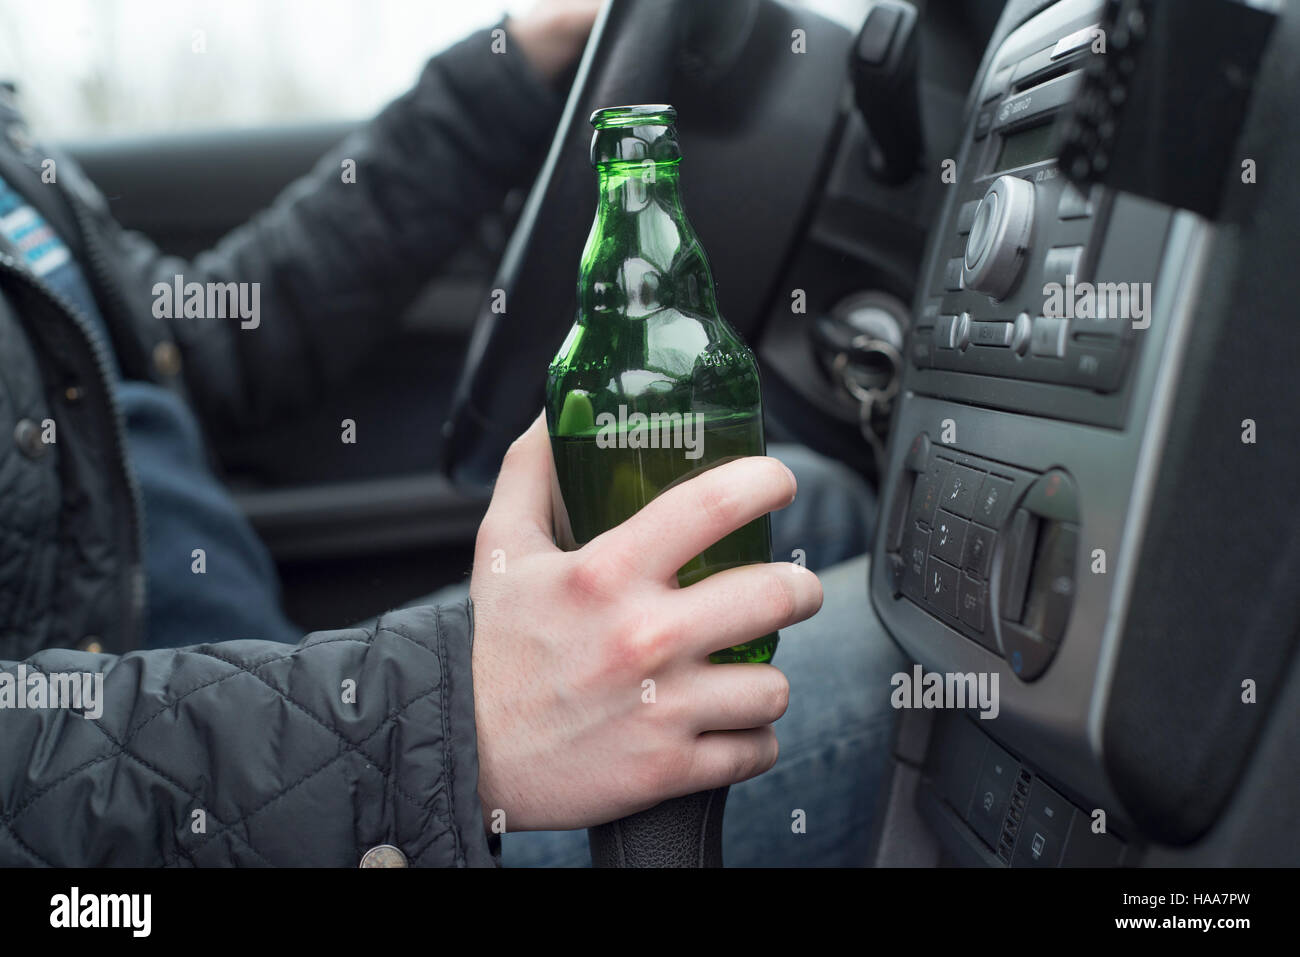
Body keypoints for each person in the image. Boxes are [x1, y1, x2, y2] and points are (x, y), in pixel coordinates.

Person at [0, 1, 902, 867]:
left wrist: (505, 74)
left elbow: (188, 351)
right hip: (244, 818)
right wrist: (449, 726)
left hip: (251, 700)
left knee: (807, 498)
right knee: (912, 675)